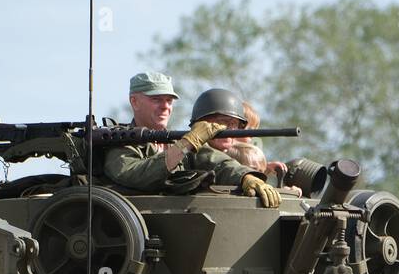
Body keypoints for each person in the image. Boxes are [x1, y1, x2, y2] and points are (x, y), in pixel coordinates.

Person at [103, 75, 280, 207]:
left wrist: (245, 177)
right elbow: (135, 175)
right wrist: (186, 144)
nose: (165, 106)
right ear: (134, 101)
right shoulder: (120, 141)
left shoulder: (175, 142)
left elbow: (216, 162)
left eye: (169, 101)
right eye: (156, 99)